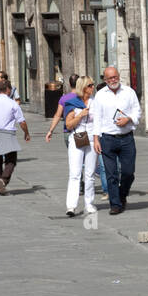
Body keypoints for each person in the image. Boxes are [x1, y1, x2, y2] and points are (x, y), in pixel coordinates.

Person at [92, 65, 142, 214]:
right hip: (107, 138)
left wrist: (128, 119)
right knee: (111, 173)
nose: (113, 80)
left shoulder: (129, 92)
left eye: (115, 77)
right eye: (110, 78)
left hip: (126, 138)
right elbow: (97, 119)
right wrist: (96, 139)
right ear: (105, 80)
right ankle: (115, 204)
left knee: (128, 172)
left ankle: (122, 194)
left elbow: (137, 111)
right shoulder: (100, 95)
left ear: (119, 76)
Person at [0, 76, 30, 195]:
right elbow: (22, 122)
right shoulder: (13, 104)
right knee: (11, 160)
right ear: (8, 90)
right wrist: (26, 133)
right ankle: (4, 179)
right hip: (8, 133)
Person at [61, 76, 98, 218]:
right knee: (75, 173)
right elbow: (68, 125)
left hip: (92, 138)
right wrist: (80, 115)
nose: (92, 87)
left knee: (90, 174)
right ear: (83, 87)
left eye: (93, 85)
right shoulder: (72, 103)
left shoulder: (96, 103)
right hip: (77, 137)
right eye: (90, 85)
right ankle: (71, 206)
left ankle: (89, 203)